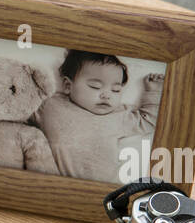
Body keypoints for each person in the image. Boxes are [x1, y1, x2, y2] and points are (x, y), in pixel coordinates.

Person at [34, 50, 164, 183]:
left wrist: (154, 91)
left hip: (104, 187)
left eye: (116, 90)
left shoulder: (118, 115)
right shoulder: (51, 105)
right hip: (53, 182)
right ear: (68, 86)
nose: (107, 95)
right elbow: (20, 111)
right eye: (95, 86)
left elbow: (149, 120)